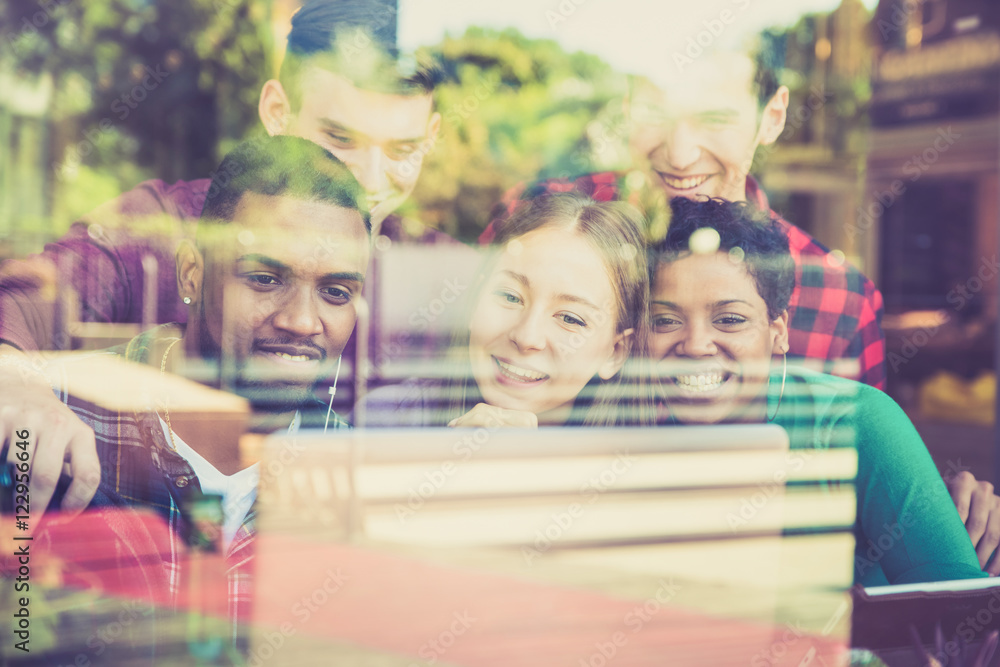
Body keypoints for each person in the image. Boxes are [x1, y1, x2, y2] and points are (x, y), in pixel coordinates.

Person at [483, 37, 1000, 573]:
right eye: (656, 113)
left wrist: (941, 508)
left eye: (714, 117)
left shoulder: (840, 296)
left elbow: (864, 501)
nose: (679, 154)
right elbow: (470, 385)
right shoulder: (544, 220)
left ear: (772, 116)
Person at [0, 0, 451, 519]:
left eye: (402, 149)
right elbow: (31, 297)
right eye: (339, 137)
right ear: (278, 111)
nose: (372, 179)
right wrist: (15, 384)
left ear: (432, 137)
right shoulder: (164, 225)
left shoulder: (444, 269)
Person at [19, 135, 370, 657]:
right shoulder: (59, 419)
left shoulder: (357, 475)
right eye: (265, 277)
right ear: (191, 273)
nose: (301, 320)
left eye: (335, 292)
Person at [648, 196, 986, 585]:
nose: (695, 344)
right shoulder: (623, 425)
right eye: (665, 320)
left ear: (779, 333)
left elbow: (955, 612)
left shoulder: (858, 421)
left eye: (729, 319)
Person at [358, 192, 654, 428]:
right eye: (510, 297)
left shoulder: (637, 477)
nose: (526, 336)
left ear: (615, 352)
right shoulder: (388, 420)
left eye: (569, 318)